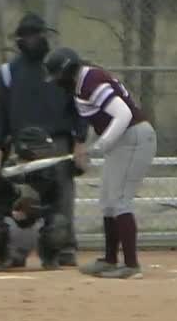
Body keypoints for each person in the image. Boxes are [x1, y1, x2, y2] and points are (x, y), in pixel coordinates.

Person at [44, 46, 157, 279]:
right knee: (107, 200)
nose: (57, 83)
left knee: (119, 201)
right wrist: (87, 145)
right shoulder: (80, 86)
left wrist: (100, 145)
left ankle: (131, 265)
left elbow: (123, 114)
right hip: (122, 140)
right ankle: (109, 259)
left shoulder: (91, 81)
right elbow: (100, 120)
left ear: (67, 72)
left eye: (58, 77)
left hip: (134, 137)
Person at [0, 12, 86, 267]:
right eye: (28, 36)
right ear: (20, 39)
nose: (33, 40)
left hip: (57, 141)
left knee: (62, 195)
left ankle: (63, 247)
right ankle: (15, 248)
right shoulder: (9, 72)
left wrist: (80, 141)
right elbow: (0, 110)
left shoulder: (60, 67)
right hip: (20, 144)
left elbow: (79, 106)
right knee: (18, 196)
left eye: (38, 35)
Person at [0, 126, 73, 271]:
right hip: (13, 227)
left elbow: (56, 205)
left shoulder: (50, 170)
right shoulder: (9, 170)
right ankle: (3, 258)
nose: (45, 153)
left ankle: (49, 258)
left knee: (60, 222)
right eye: (40, 149)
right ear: (25, 149)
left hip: (38, 226)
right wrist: (13, 210)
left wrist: (37, 210)